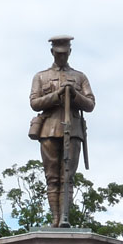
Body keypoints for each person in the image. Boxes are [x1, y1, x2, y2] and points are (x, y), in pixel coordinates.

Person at [29, 35, 95, 227]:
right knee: (52, 177)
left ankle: (65, 218)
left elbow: (90, 104)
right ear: (52, 53)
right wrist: (56, 95)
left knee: (68, 177)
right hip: (49, 129)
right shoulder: (41, 77)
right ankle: (55, 219)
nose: (62, 57)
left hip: (73, 130)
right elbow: (34, 103)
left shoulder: (80, 77)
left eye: (65, 54)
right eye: (58, 54)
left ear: (70, 52)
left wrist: (75, 95)